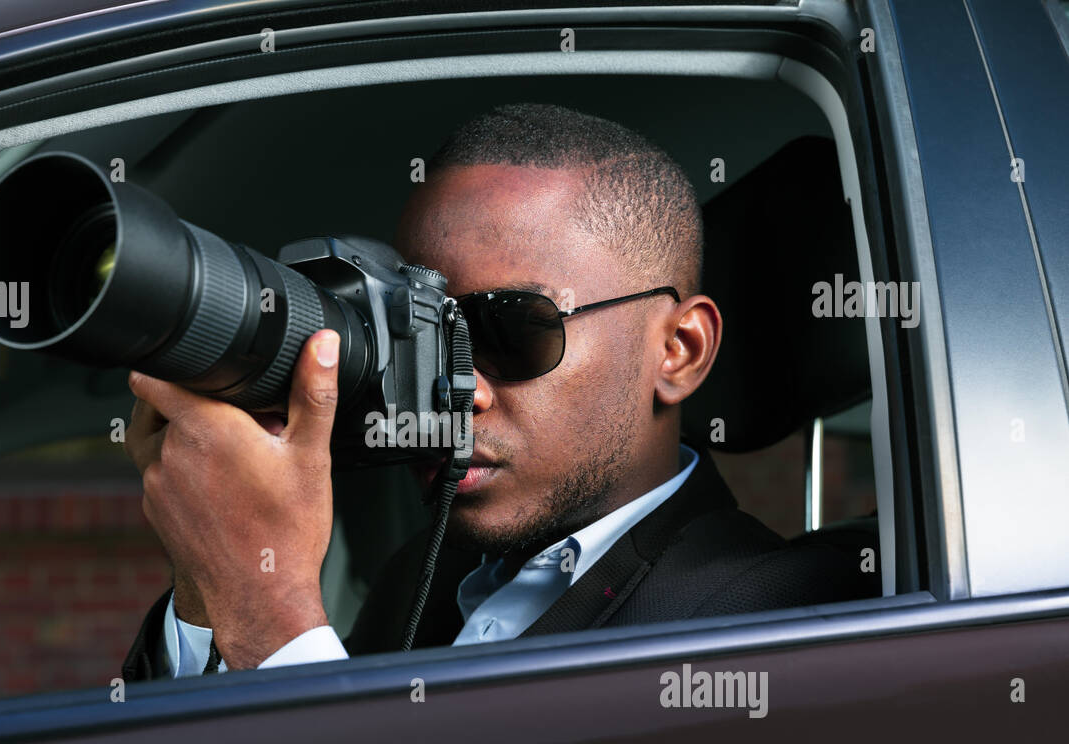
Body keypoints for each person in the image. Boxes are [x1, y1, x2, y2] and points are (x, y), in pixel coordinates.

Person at [120, 103, 874, 680]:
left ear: (679, 351)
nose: (454, 388)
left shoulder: (781, 620)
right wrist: (207, 588)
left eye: (513, 330)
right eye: (418, 334)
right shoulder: (420, 576)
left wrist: (272, 615)